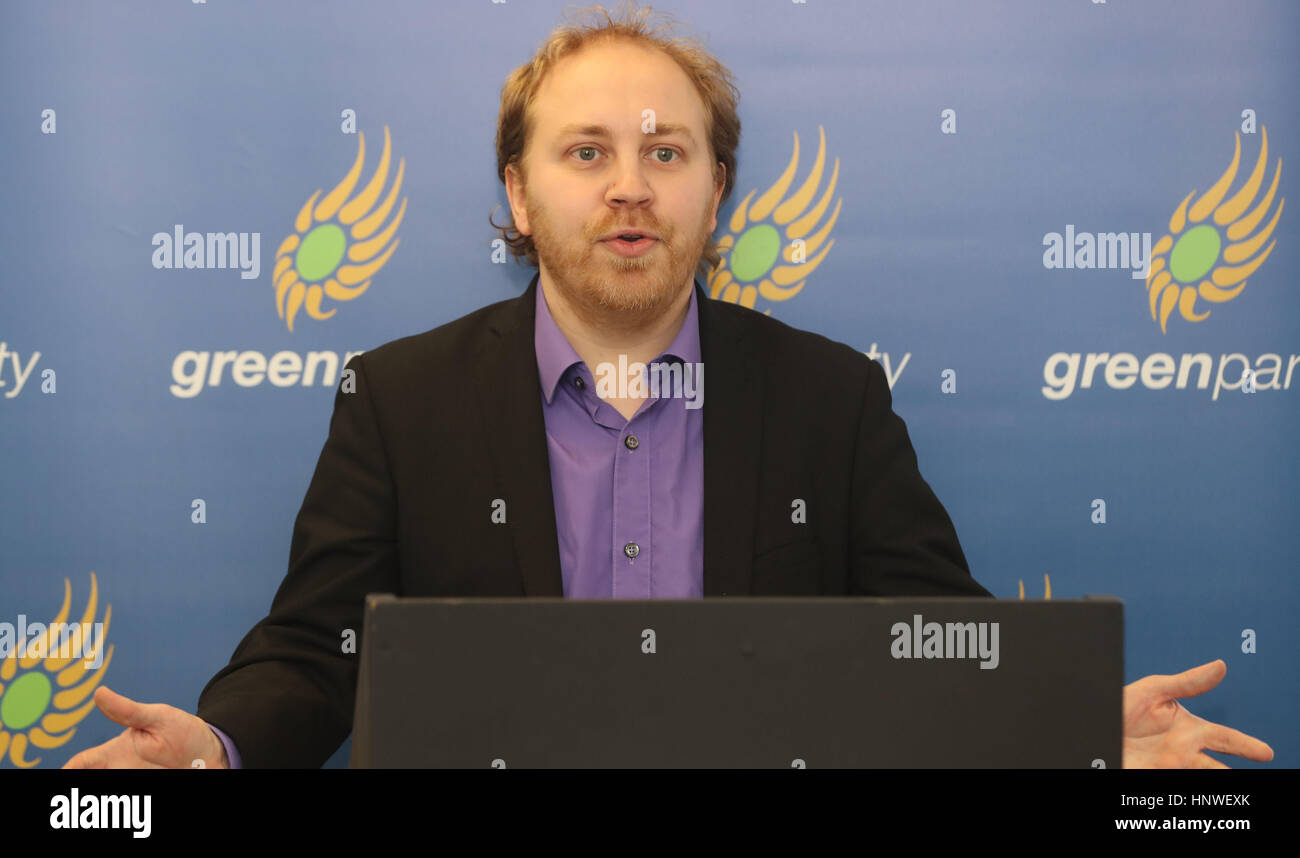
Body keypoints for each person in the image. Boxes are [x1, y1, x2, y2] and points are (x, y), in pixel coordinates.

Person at [65, 2, 1272, 771]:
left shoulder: (833, 402)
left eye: (665, 151)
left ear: (717, 189)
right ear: (519, 192)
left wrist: (1069, 733)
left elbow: (935, 648)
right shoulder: (399, 399)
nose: (629, 186)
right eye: (586, 151)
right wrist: (213, 748)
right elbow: (318, 650)